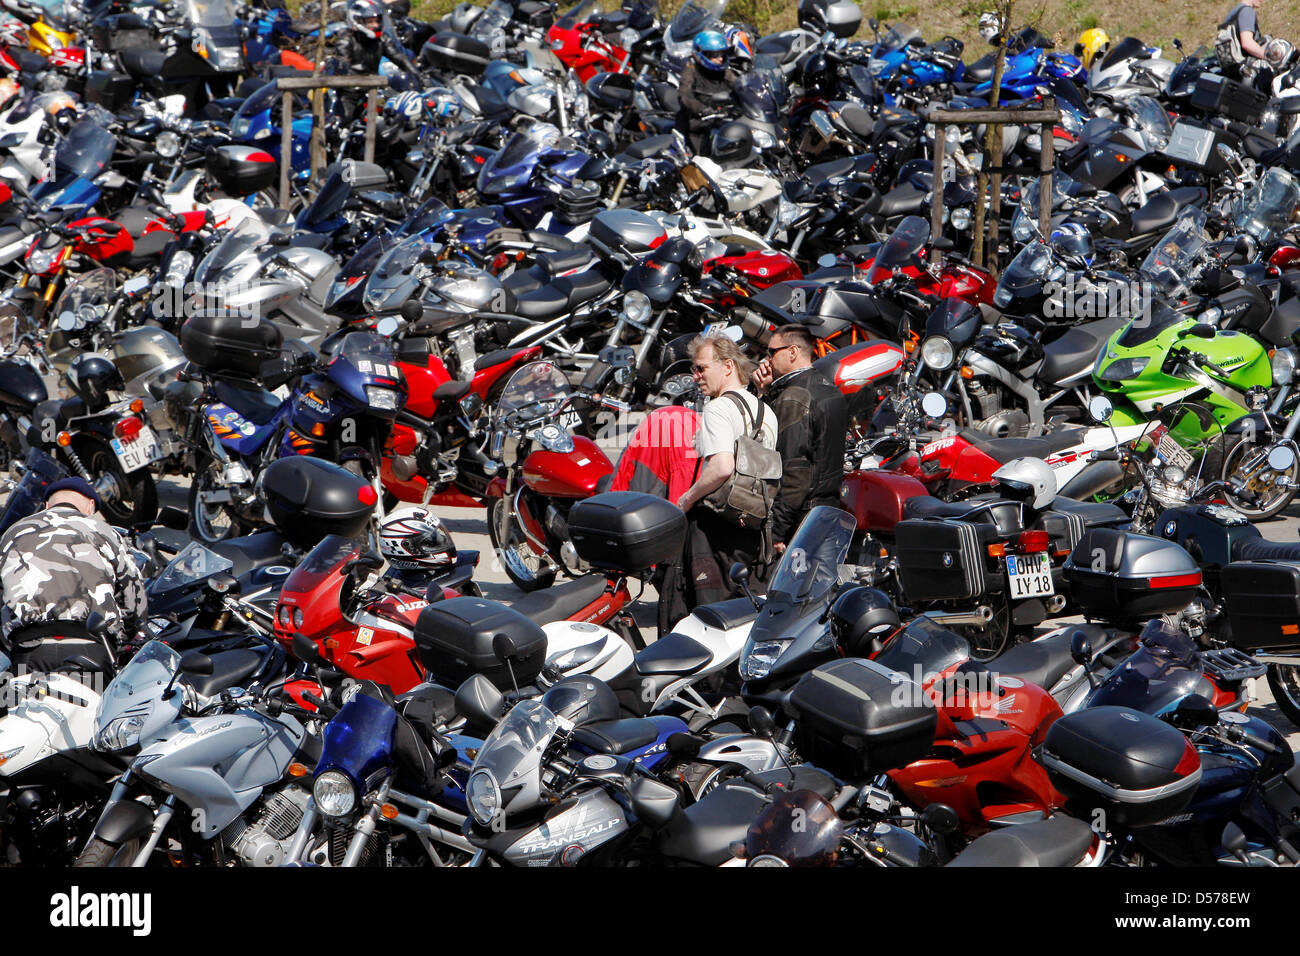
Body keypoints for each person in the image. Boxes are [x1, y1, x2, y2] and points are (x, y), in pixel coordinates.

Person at [669, 334, 777, 617]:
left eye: (701, 368)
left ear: (728, 366)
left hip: (716, 525)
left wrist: (686, 499)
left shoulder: (717, 408)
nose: (696, 377)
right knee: (743, 611)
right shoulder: (765, 410)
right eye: (694, 369)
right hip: (753, 524)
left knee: (711, 614)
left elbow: (722, 466)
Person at [0, 478, 145, 673]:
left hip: (28, 648)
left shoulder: (13, 533)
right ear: (90, 506)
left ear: (47, 505)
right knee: (96, 702)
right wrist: (123, 638)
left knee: (24, 702)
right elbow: (134, 598)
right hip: (90, 646)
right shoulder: (103, 531)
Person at [751, 324, 848, 554]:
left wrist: (776, 532)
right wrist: (768, 391)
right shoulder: (829, 389)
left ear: (792, 352)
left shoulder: (793, 397)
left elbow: (796, 472)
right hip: (827, 512)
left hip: (801, 520)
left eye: (772, 352)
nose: (767, 360)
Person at [677, 31, 739, 153]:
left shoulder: (725, 72)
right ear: (701, 53)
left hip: (720, 123)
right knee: (697, 164)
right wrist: (702, 109)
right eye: (714, 55)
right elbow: (685, 96)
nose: (720, 58)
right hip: (696, 128)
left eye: (722, 54)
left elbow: (739, 85)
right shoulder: (691, 72)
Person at [1220, 0, 1270, 78]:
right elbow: (1247, 43)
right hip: (1247, 69)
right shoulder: (1247, 11)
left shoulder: (1234, 12)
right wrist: (1268, 57)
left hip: (1233, 70)